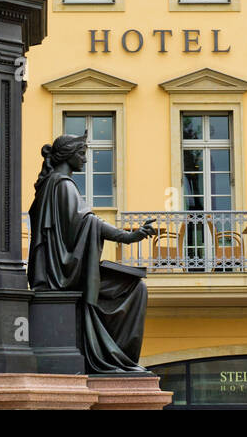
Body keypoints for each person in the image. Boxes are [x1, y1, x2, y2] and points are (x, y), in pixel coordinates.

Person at [28, 134, 159, 373]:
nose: (85, 160)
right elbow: (89, 223)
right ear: (68, 155)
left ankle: (113, 355)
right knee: (136, 289)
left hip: (60, 269)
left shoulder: (52, 184)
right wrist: (129, 236)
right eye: (81, 154)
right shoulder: (63, 185)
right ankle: (113, 357)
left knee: (134, 287)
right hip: (65, 274)